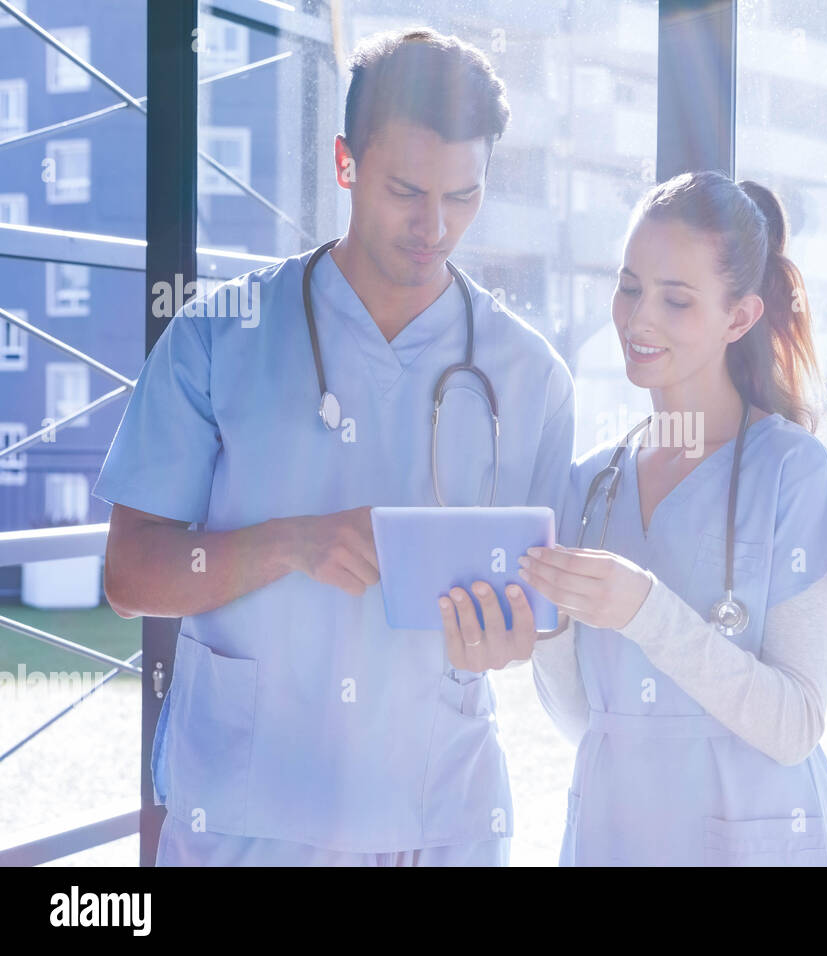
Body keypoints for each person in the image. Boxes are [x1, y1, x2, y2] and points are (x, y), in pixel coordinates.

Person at [94, 29, 574, 866]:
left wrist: (511, 639)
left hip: (436, 820)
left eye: (463, 196)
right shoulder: (220, 334)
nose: (434, 226)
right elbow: (131, 577)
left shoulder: (529, 375)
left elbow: (547, 612)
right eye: (405, 190)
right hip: (244, 820)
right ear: (346, 163)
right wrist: (292, 542)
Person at [446, 170, 827, 865]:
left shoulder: (796, 475)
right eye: (630, 287)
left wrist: (643, 608)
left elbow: (794, 725)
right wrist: (544, 627)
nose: (640, 320)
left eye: (676, 300)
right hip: (616, 834)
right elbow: (591, 723)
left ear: (739, 318)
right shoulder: (590, 485)